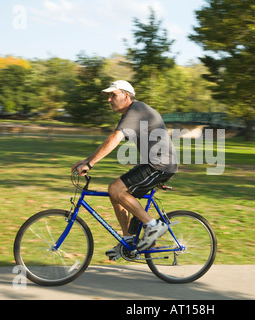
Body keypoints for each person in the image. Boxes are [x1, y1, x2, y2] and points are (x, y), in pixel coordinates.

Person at [71, 80, 178, 260]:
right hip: (153, 163)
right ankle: (128, 241)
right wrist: (87, 160)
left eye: (113, 95)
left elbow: (114, 138)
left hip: (160, 164)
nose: (109, 100)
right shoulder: (131, 113)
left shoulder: (136, 110)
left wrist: (90, 164)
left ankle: (154, 225)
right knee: (116, 193)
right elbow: (111, 139)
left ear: (126, 96)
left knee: (115, 188)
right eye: (109, 96)